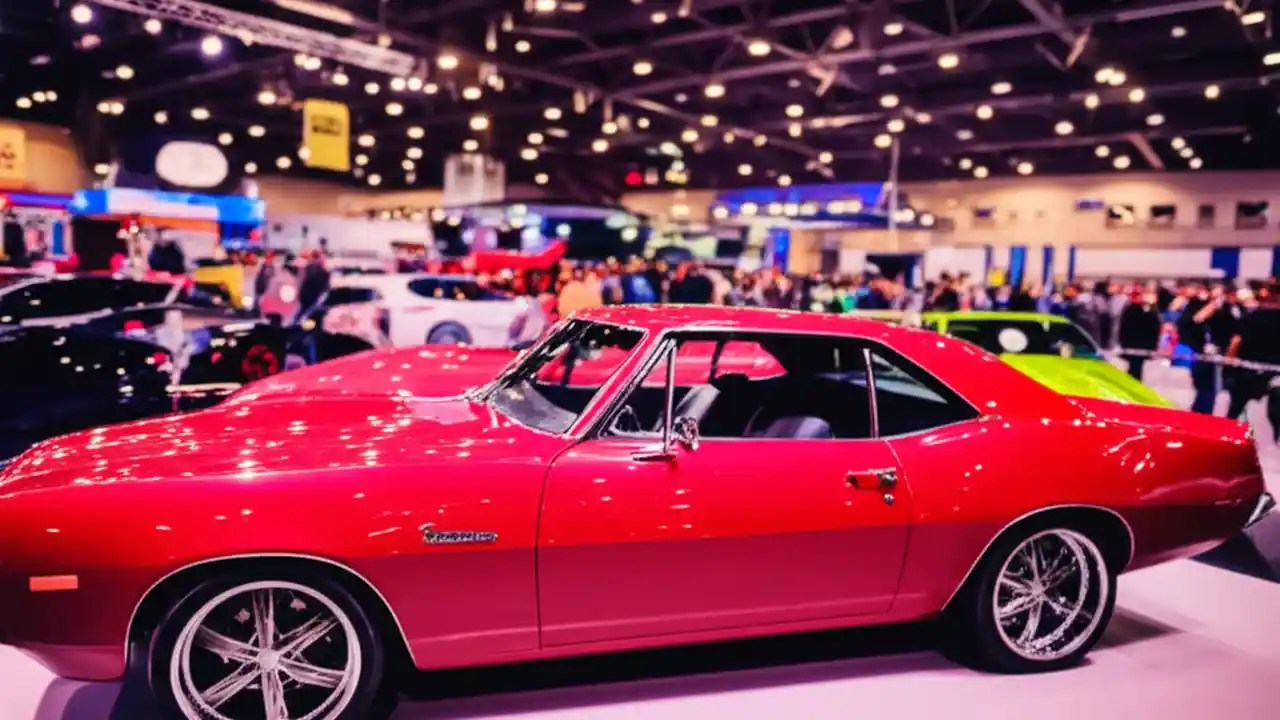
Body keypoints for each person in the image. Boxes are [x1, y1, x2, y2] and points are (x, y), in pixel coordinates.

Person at [1225, 283, 1280, 424]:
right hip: (1275, 370)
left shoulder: (1251, 317)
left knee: (1236, 407)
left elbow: (1236, 341)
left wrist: (1229, 363)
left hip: (1248, 368)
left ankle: (1229, 432)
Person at [1117, 289, 1162, 380]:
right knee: (1136, 367)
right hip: (1138, 345)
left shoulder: (1135, 309)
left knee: (1135, 367)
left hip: (1137, 345)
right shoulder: (1136, 310)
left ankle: (1131, 382)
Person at [295, 250, 331, 322]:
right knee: (308, 315)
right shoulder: (320, 270)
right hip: (313, 298)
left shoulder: (309, 267)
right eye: (322, 258)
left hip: (306, 296)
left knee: (302, 314)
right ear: (318, 258)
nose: (324, 260)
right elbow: (324, 286)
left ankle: (295, 325)